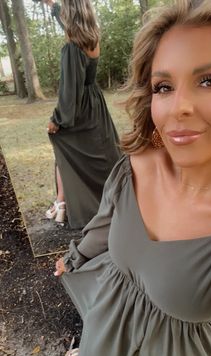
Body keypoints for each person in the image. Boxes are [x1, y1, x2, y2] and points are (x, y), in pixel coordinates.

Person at [49, 0, 211, 356]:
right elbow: (103, 223)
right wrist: (76, 255)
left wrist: (59, 119)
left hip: (176, 337)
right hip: (113, 301)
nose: (179, 107)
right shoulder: (136, 167)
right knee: (101, 334)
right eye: (163, 87)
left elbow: (67, 96)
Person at [45, 0, 121, 227]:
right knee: (104, 156)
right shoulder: (91, 37)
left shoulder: (72, 48)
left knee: (62, 143)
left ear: (71, 14)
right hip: (95, 104)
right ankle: (64, 202)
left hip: (80, 108)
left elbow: (70, 92)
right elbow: (70, 24)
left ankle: (63, 204)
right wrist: (54, 7)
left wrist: (57, 119)